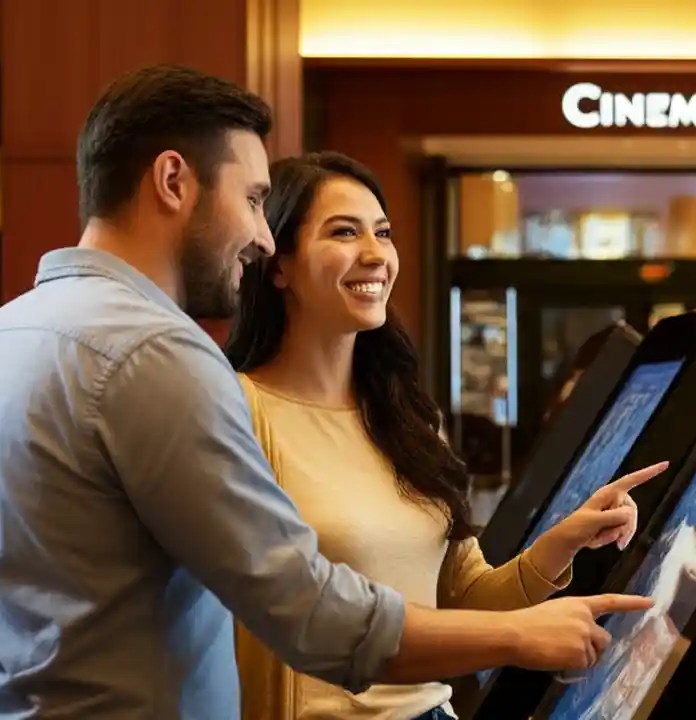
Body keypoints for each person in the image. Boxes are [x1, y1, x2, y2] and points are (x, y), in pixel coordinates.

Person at [0, 64, 649, 720]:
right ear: (173, 180)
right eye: (251, 199)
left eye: (383, 232)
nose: (258, 233)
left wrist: (541, 571)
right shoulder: (158, 355)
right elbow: (305, 610)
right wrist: (517, 636)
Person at [223, 150, 668, 720]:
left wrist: (564, 542)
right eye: (344, 232)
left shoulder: (406, 417)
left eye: (383, 233)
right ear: (278, 264)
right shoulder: (239, 409)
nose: (375, 255)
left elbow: (465, 597)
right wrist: (518, 636)